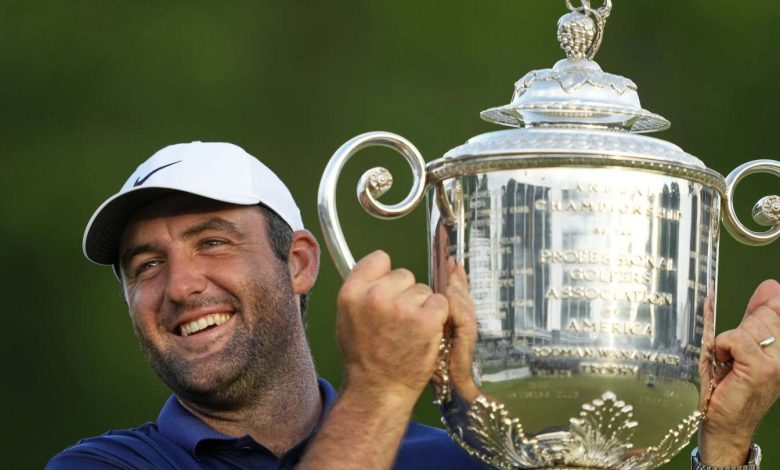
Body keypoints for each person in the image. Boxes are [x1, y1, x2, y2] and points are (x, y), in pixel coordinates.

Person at [48, 141, 778, 469]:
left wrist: (722, 446)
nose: (179, 286)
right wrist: (382, 390)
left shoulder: (463, 458)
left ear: (299, 262)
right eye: (146, 265)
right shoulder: (104, 468)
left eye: (212, 243)